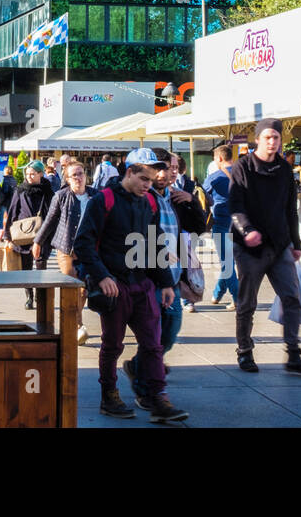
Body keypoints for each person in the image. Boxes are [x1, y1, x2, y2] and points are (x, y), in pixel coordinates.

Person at [73, 148, 189, 423]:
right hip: (115, 286)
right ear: (129, 172)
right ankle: (109, 395)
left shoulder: (148, 203)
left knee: (153, 344)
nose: (149, 184)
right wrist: (102, 276)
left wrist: (165, 282)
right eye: (144, 178)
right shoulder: (104, 200)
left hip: (143, 284)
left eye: (151, 179)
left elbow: (154, 241)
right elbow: (83, 243)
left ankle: (156, 397)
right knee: (112, 345)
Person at [230, 119, 301, 375]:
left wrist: (296, 243)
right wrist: (247, 231)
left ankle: (293, 354)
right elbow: (235, 204)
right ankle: (244, 352)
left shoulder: (283, 169)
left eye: (276, 138)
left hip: (280, 244)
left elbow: (290, 209)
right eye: (267, 137)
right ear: (257, 139)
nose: (272, 142)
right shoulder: (243, 166)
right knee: (247, 302)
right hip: (250, 246)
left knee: (293, 298)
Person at [126, 147, 206, 405]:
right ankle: (147, 389)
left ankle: (139, 366)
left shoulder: (173, 197)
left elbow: (199, 228)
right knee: (153, 335)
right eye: (164, 167)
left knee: (169, 332)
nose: (169, 173)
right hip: (149, 275)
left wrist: (191, 202)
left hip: (171, 275)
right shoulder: (143, 196)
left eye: (172, 168)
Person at [33, 160, 95, 344]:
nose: (78, 177)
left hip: (89, 250)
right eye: (73, 175)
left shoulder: (95, 196)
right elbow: (50, 220)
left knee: (84, 290)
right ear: (67, 179)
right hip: (67, 248)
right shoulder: (61, 196)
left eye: (81, 173)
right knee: (72, 285)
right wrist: (38, 241)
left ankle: (75, 321)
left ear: (86, 176)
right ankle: (76, 326)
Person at [0, 160, 54, 309]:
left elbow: (53, 214)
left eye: (33, 174)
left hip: (42, 234)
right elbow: (12, 212)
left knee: (41, 265)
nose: (29, 176)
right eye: (27, 173)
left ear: (41, 174)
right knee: (26, 267)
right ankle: (29, 296)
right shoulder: (20, 189)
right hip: (23, 234)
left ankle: (40, 295)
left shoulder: (48, 190)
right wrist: (7, 236)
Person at [204, 145, 238, 308]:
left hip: (222, 221)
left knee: (226, 262)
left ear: (219, 158)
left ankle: (238, 298)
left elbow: (202, 195)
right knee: (229, 261)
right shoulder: (243, 174)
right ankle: (217, 293)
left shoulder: (215, 177)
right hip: (241, 223)